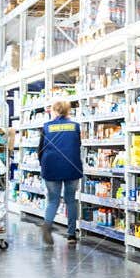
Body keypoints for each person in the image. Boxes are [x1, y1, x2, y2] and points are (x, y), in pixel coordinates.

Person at [37, 98, 84, 245]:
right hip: (71, 167)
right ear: (67, 111)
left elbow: (40, 149)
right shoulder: (75, 127)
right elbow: (77, 145)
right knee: (70, 200)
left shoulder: (46, 127)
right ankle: (71, 235)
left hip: (51, 168)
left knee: (53, 200)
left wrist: (42, 164)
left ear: (55, 110)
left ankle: (47, 225)